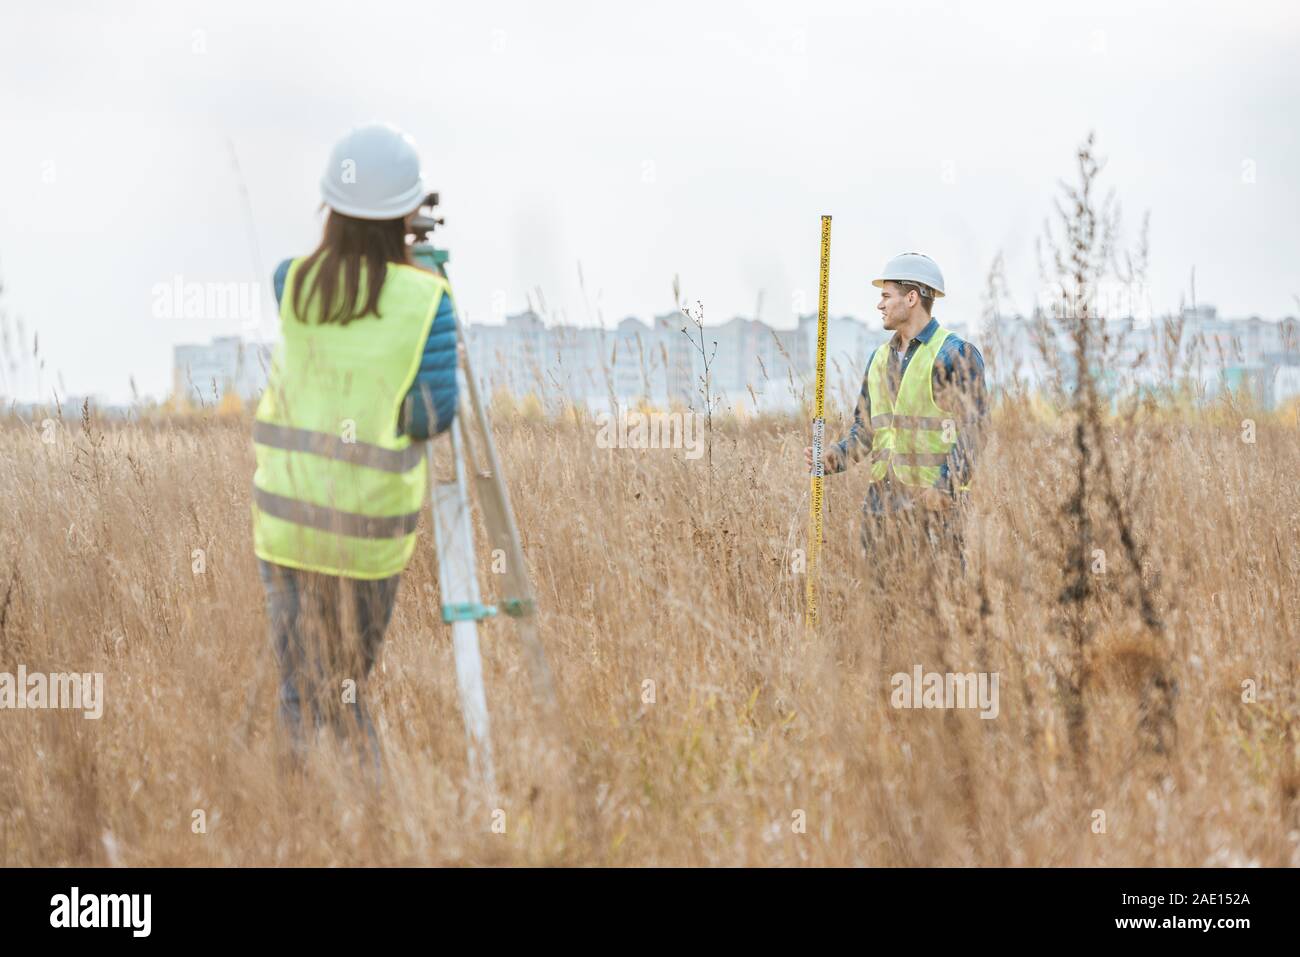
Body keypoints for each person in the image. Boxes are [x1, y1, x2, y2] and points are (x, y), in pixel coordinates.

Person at [251, 122, 458, 777]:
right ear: (408, 213)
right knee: (343, 688)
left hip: (285, 526)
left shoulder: (294, 282)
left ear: (330, 208)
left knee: (300, 690)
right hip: (367, 536)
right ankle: (366, 814)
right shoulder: (428, 300)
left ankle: (307, 815)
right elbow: (430, 416)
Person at [805, 252, 987, 571]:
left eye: (886, 296)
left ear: (912, 298)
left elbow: (973, 433)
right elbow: (865, 432)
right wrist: (833, 458)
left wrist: (943, 489)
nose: (880, 305)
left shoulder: (955, 354)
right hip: (880, 509)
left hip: (936, 511)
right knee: (884, 612)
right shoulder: (878, 359)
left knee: (936, 612)